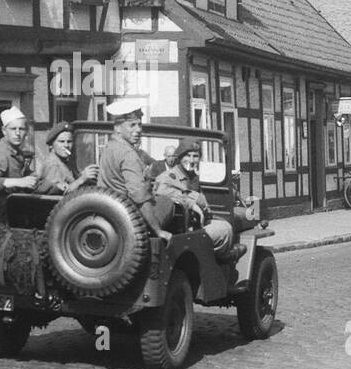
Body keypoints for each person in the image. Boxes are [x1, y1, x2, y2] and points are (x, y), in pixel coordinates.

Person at [97, 98, 171, 243]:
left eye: (139, 124)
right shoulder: (128, 154)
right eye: (132, 125)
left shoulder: (109, 148)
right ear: (118, 128)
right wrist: (158, 231)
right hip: (128, 217)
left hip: (108, 211)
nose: (138, 130)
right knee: (167, 203)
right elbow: (139, 197)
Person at [155, 138, 236, 257]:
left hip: (197, 224)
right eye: (187, 156)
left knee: (224, 227)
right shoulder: (168, 177)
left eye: (196, 156)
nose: (191, 160)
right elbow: (162, 193)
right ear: (180, 157)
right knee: (225, 229)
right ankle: (222, 259)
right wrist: (191, 202)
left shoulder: (194, 177)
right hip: (183, 230)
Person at [0, 106, 37, 223]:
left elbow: (24, 174)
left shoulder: (17, 152)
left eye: (22, 129)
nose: (18, 133)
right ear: (4, 131)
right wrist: (19, 182)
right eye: (13, 129)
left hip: (10, 211)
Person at [33, 122, 99, 195]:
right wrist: (82, 179)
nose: (66, 145)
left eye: (69, 141)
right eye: (61, 141)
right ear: (51, 146)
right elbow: (62, 194)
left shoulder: (64, 162)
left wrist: (83, 176)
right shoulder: (53, 165)